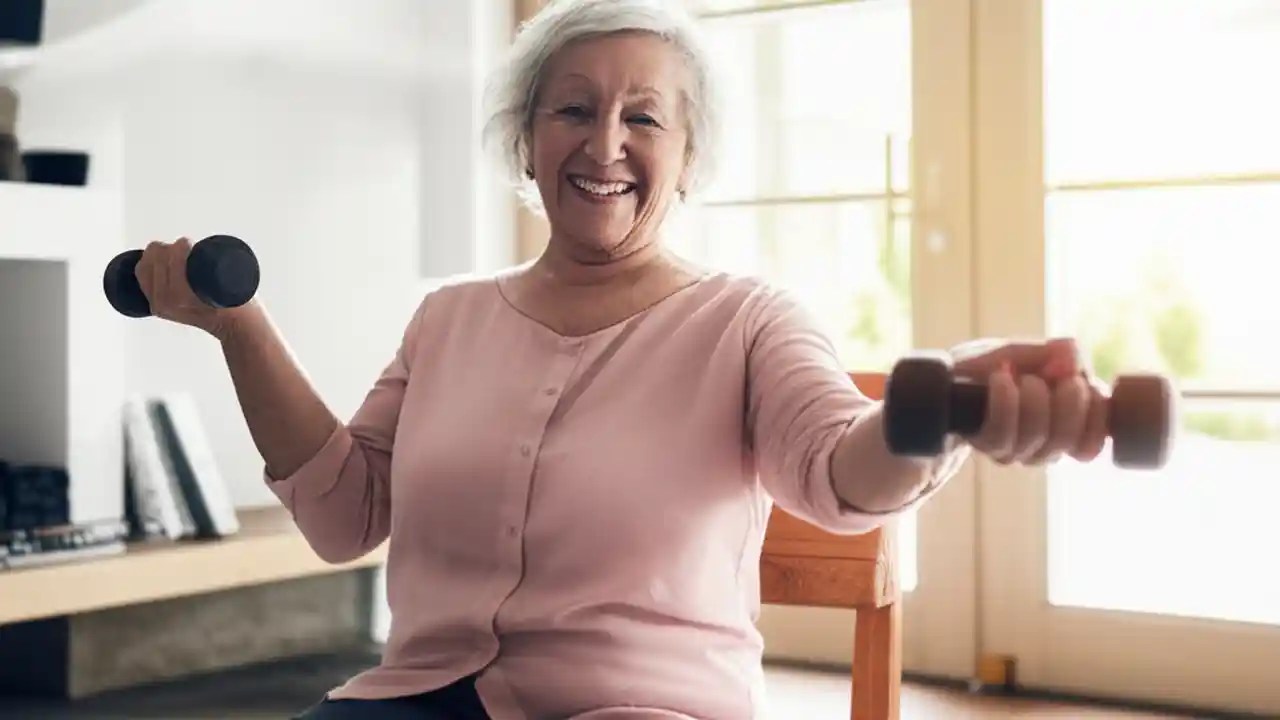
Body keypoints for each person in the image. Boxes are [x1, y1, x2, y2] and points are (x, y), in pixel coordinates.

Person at [132, 0, 1109, 717]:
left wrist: (932, 406)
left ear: (690, 161)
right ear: (523, 143)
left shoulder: (747, 319)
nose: (604, 142)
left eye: (644, 117)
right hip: (417, 696)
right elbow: (345, 519)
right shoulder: (447, 320)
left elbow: (835, 474)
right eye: (571, 111)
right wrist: (241, 328)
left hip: (645, 708)